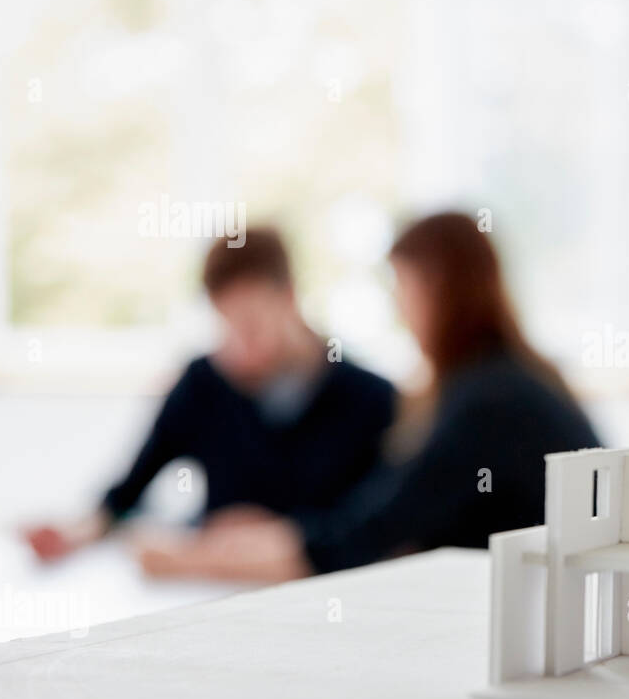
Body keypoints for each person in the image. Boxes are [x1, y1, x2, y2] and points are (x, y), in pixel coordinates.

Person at [149, 212, 601, 581]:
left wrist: (196, 558)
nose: (401, 310)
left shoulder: (487, 401)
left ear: (437, 289)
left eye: (403, 287)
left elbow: (369, 533)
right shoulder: (506, 379)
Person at [23, 229, 396, 576]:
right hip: (212, 596)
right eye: (226, 325)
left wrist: (262, 544)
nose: (239, 347)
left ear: (289, 298)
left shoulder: (370, 398)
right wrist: (74, 534)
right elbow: (126, 494)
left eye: (251, 324)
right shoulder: (203, 384)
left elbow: (375, 529)